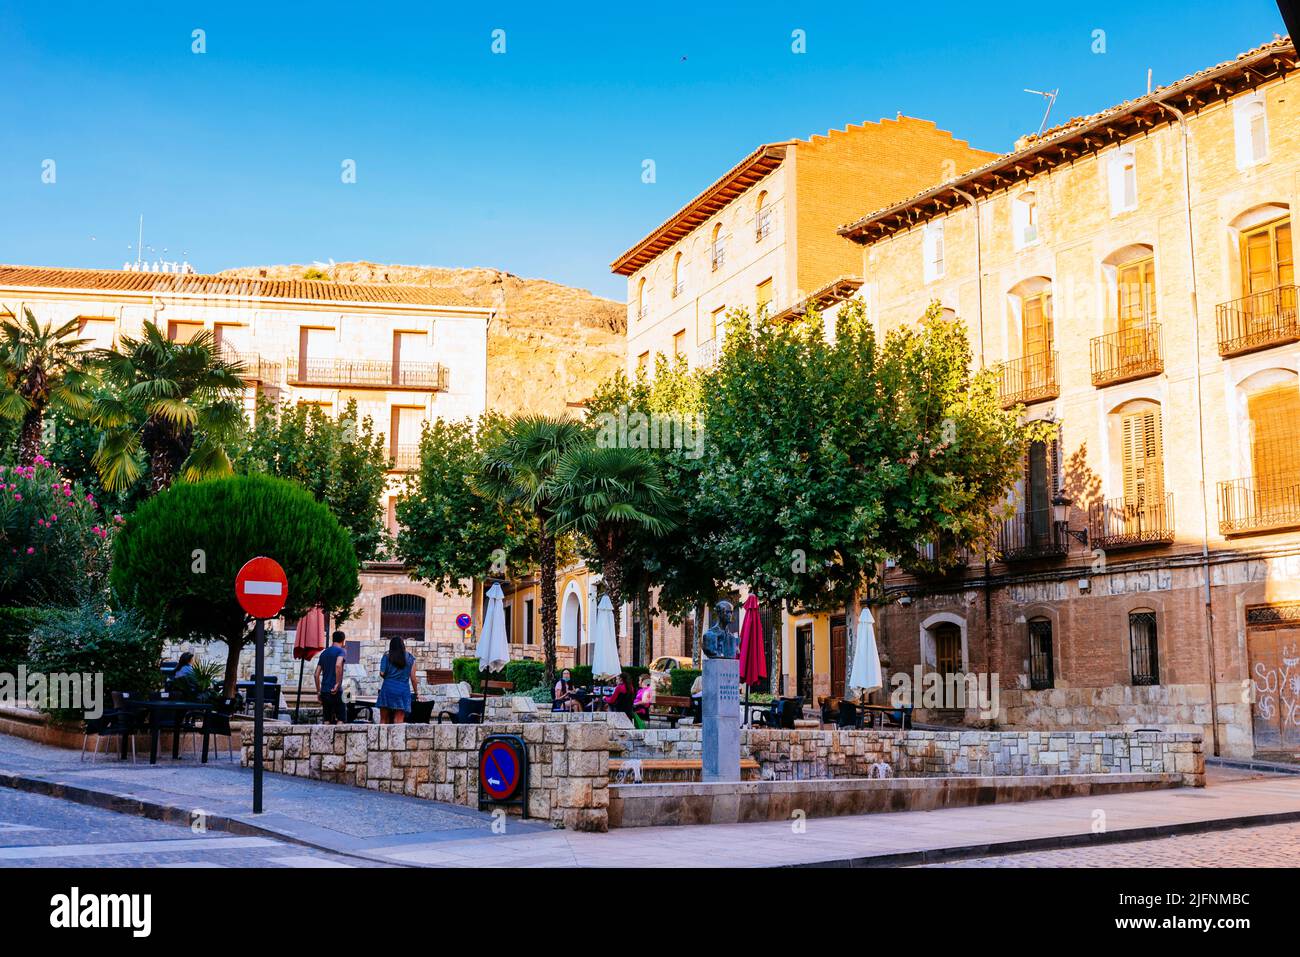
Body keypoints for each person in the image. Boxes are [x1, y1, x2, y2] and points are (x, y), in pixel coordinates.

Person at [376, 636, 419, 724]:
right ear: (403, 645)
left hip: (388, 688)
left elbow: (382, 673)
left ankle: (382, 737)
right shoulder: (410, 658)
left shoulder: (387, 656)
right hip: (402, 690)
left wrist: (388, 678)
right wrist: (416, 693)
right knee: (398, 721)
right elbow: (413, 678)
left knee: (384, 720)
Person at [314, 631, 348, 725]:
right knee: (341, 719)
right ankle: (338, 740)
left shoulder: (324, 653)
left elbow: (316, 674)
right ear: (343, 641)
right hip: (336, 691)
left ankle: (325, 740)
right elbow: (338, 665)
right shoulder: (341, 651)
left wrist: (318, 691)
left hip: (324, 691)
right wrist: (337, 683)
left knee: (327, 720)